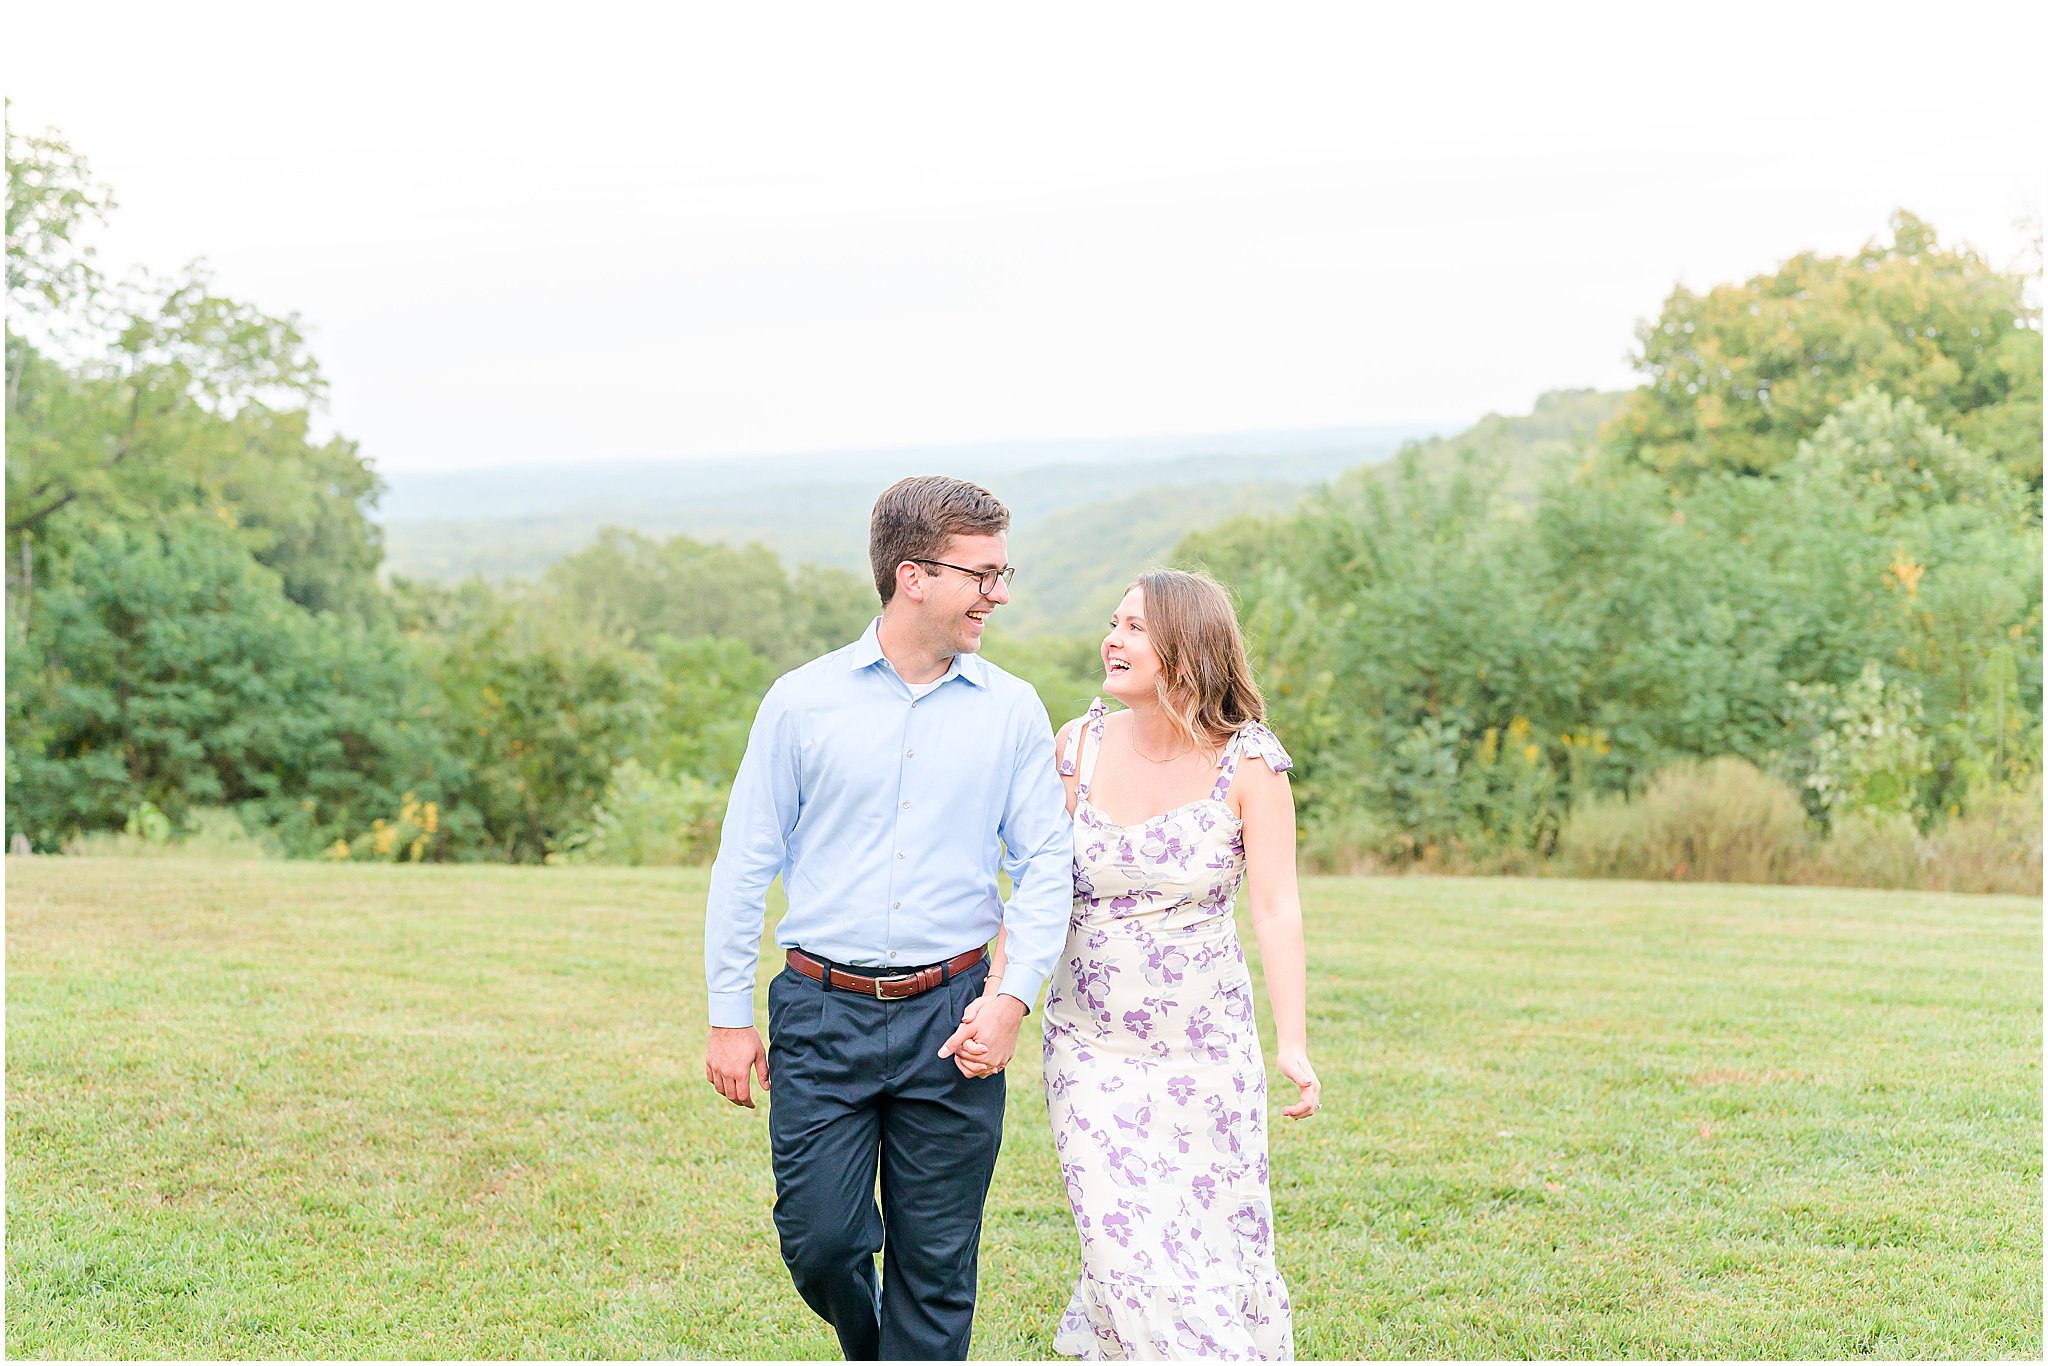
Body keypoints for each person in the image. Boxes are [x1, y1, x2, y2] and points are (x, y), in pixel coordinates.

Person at [701, 476, 1073, 1361]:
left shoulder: (1012, 709)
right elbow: (746, 860)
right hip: (820, 1009)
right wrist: (728, 1016)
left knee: (937, 1265)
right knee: (823, 1241)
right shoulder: (801, 701)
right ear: (913, 575)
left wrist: (1013, 997)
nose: (1000, 593)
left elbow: (1045, 862)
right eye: (982, 574)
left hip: (956, 1014)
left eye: (1003, 571)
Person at [959, 567, 1317, 1359]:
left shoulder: (1250, 764)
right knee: (1124, 1252)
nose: (1110, 640)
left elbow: (1276, 909)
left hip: (1208, 1055)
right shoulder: (1074, 748)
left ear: (1187, 650)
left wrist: (1290, 1044)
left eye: (1133, 628)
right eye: (1112, 622)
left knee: (1208, 1256)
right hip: (1091, 1049)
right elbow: (1038, 889)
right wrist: (999, 996)